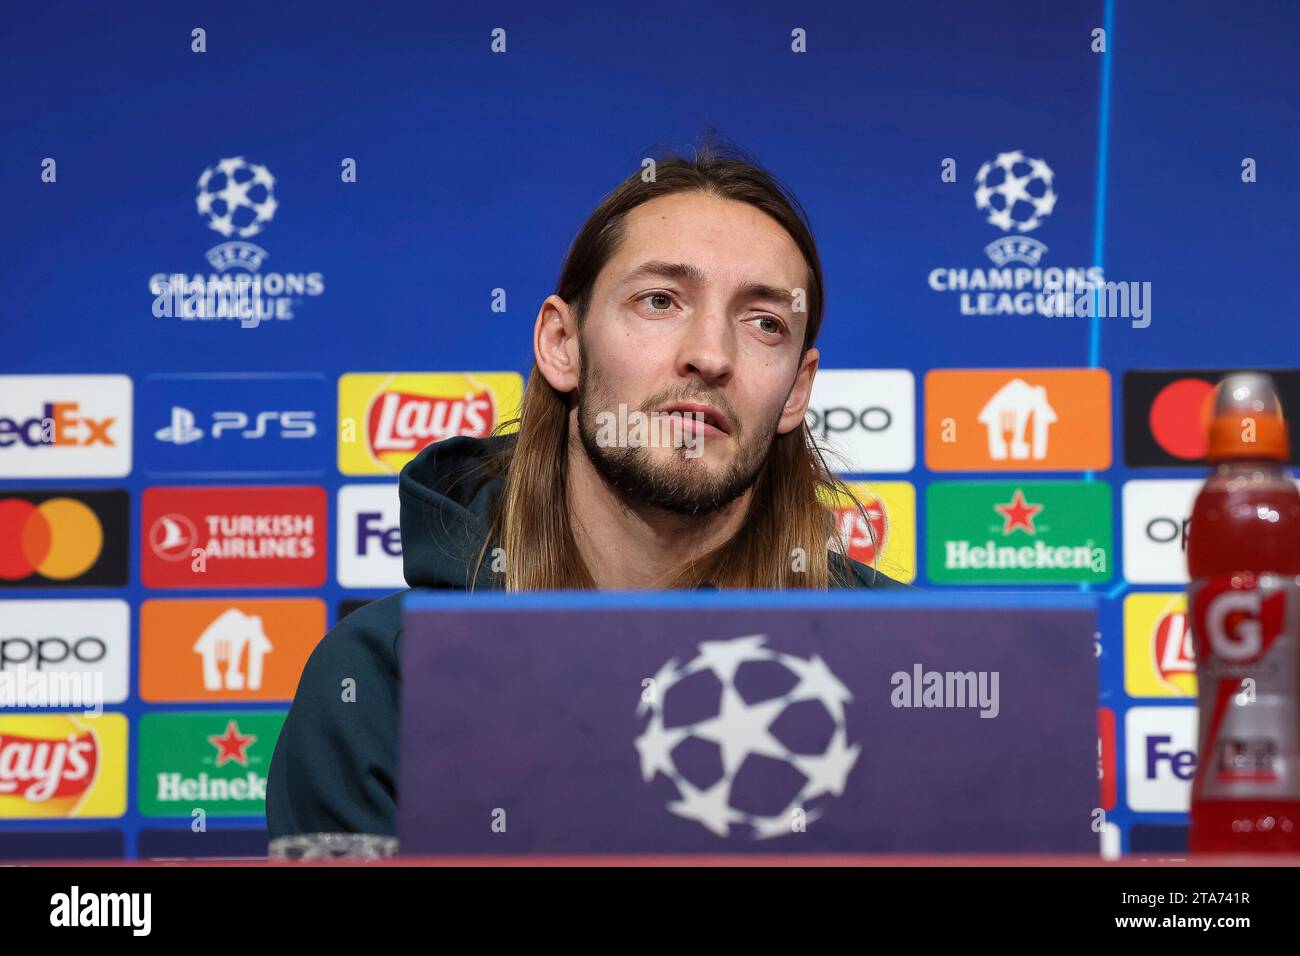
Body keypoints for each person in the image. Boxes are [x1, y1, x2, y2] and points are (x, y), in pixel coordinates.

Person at [267, 136, 907, 840]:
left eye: (764, 323)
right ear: (562, 345)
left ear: (797, 391)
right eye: (660, 300)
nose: (712, 355)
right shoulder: (383, 682)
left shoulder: (901, 664)